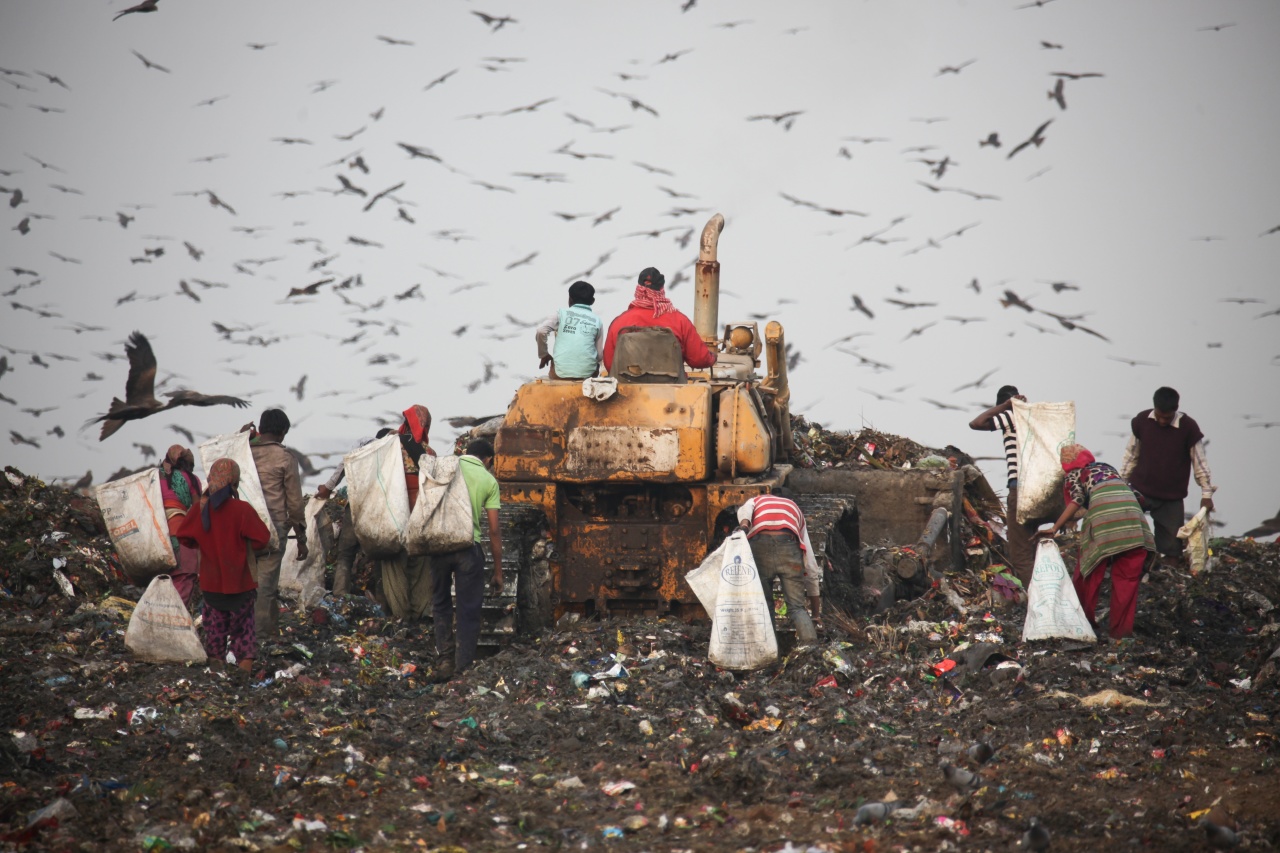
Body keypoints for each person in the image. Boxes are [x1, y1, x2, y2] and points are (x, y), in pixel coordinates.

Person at [1040, 444, 1156, 642]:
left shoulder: (1075, 474)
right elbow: (1139, 498)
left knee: (1088, 571)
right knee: (1126, 580)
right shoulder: (1107, 469)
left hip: (1104, 520)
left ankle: (1083, 624)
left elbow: (1076, 500)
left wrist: (1055, 527)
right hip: (1133, 520)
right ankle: (1119, 635)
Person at [176, 458, 271, 672]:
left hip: (212, 587)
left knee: (216, 632)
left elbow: (184, 536)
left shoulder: (199, 511)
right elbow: (263, 538)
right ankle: (243, 675)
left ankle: (217, 670)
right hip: (241, 586)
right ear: (234, 483)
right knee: (243, 633)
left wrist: (204, 541)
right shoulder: (242, 510)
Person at [430, 437, 503, 682]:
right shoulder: (488, 480)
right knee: (468, 609)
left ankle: (444, 662)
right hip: (468, 549)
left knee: (440, 604)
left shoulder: (446, 467)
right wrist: (498, 571)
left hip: (439, 546)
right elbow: (493, 530)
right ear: (488, 460)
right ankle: (463, 669)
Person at [1120, 386, 1216, 562]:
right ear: (1154, 408)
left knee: (1172, 546)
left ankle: (1168, 576)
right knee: (1125, 532)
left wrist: (1206, 494)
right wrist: (1121, 484)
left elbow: (1200, 463)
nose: (1162, 421)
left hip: (1171, 497)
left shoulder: (1188, 428)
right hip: (1140, 489)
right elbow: (1131, 455)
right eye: (1159, 416)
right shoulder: (1142, 421)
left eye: (1167, 417)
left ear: (1175, 409)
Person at [247, 408, 307, 639]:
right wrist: (301, 540)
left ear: (261, 429)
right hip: (273, 528)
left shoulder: (244, 453)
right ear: (282, 433)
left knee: (245, 584)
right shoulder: (285, 458)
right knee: (266, 587)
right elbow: (294, 504)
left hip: (243, 527)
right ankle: (260, 636)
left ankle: (261, 631)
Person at [968, 385, 1036, 587]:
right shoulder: (1034, 418)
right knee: (1034, 545)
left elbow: (976, 423)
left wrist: (1006, 407)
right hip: (1040, 486)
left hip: (1020, 487)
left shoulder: (1011, 416)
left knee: (1020, 553)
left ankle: (1036, 602)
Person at [735, 491, 822, 643]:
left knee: (765, 606)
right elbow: (812, 566)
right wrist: (816, 614)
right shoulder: (793, 507)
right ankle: (811, 649)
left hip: (760, 547)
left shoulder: (755, 500)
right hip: (789, 548)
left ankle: (770, 658)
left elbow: (745, 510)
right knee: (796, 607)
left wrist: (744, 526)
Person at [602, 267, 717, 374]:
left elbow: (609, 364)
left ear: (638, 289)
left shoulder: (620, 322)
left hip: (629, 390)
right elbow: (699, 360)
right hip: (671, 390)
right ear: (661, 289)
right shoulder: (679, 320)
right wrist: (712, 357)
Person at [316, 431, 389, 596]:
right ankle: (382, 600)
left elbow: (344, 464)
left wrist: (328, 487)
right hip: (375, 509)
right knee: (379, 556)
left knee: (345, 554)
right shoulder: (388, 454)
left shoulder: (363, 445)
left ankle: (339, 593)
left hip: (355, 506)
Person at [380, 408, 437, 621]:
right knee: (421, 568)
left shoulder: (388, 448)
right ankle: (419, 615)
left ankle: (401, 618)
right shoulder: (429, 454)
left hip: (393, 517)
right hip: (420, 519)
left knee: (394, 568)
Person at [158, 445, 202, 608]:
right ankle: (173, 621)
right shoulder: (191, 479)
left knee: (161, 581)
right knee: (184, 578)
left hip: (156, 536)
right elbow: (198, 511)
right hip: (179, 533)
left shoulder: (156, 477)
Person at [535, 280, 604, 380]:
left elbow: (541, 331)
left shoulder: (561, 314)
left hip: (560, 373)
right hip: (587, 375)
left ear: (570, 299)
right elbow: (600, 355)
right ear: (592, 301)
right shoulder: (597, 320)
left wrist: (543, 354)